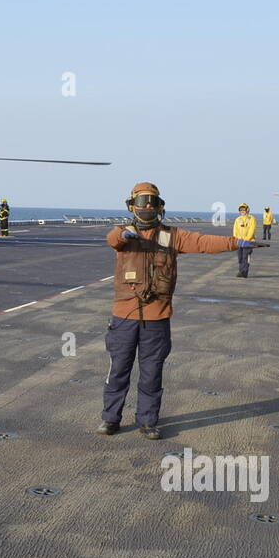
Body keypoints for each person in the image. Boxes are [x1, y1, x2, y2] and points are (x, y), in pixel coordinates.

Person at [99, 182, 248, 439]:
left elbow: (203, 242)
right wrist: (124, 235)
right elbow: (112, 238)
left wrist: (236, 242)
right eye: (142, 201)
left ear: (160, 206)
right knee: (118, 371)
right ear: (131, 205)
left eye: (152, 202)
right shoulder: (123, 235)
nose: (147, 206)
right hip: (124, 316)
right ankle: (110, 419)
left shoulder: (173, 236)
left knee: (151, 372)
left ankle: (148, 421)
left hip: (157, 317)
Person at [232, 203, 257, 277]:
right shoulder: (237, 219)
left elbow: (252, 230)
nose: (242, 211)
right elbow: (235, 230)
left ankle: (244, 272)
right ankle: (241, 271)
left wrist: (246, 240)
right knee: (240, 257)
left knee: (246, 256)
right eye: (241, 209)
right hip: (239, 242)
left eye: (244, 209)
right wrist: (235, 239)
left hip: (249, 242)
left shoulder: (252, 219)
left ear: (247, 210)